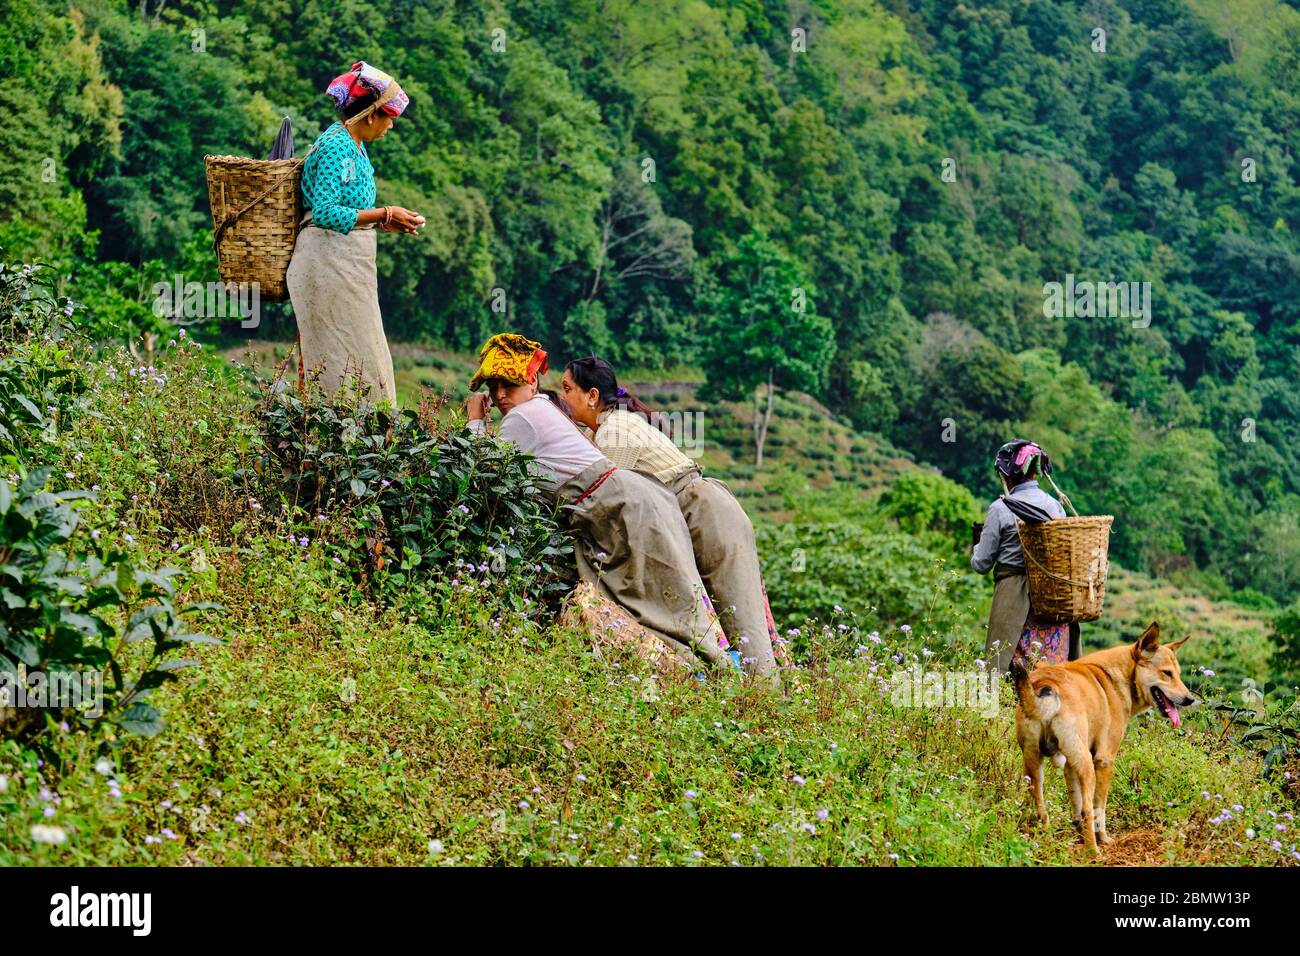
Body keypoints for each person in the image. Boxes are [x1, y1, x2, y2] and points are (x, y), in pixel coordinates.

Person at [464, 334, 732, 673]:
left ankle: (714, 675)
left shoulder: (523, 416)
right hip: (636, 499)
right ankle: (720, 672)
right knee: (673, 600)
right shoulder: (542, 409)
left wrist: (475, 419)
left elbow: (480, 472)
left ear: (531, 380)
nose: (499, 395)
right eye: (492, 387)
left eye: (508, 383)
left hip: (621, 507)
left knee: (648, 603)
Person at [557, 356, 783, 685]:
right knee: (721, 613)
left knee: (742, 618)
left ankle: (766, 700)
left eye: (568, 389)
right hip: (694, 512)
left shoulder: (614, 431)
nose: (562, 397)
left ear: (592, 396)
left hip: (704, 513)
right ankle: (742, 698)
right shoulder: (610, 428)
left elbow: (606, 495)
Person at [285, 61, 425, 403]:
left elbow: (348, 211)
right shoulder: (337, 146)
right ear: (371, 114)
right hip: (326, 267)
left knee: (367, 361)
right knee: (338, 366)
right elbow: (326, 211)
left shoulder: (355, 149)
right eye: (389, 117)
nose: (391, 125)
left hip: (348, 269)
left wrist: (384, 221)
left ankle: (365, 446)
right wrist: (383, 212)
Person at [971, 440, 1075, 673]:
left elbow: (981, 564)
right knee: (1051, 675)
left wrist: (976, 544)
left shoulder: (1000, 508)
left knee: (1008, 670)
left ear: (1007, 474)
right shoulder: (1055, 506)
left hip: (1013, 596)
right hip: (1051, 597)